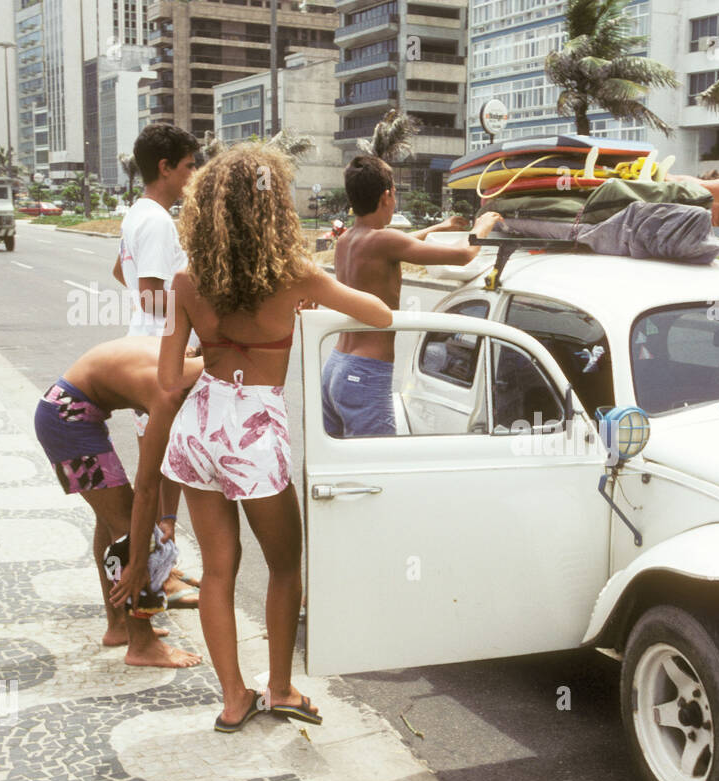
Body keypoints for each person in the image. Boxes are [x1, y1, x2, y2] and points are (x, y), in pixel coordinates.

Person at [154, 143, 393, 733]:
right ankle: (280, 687)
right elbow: (379, 315)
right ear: (273, 210)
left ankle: (234, 698)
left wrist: (211, 357)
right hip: (254, 431)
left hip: (201, 423)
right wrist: (311, 295)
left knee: (216, 568)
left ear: (207, 208)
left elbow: (164, 380)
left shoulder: (187, 280)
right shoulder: (293, 276)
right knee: (285, 565)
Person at [34, 338, 205, 669]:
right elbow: (146, 489)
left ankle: (119, 626)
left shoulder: (182, 359)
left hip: (68, 412)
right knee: (129, 529)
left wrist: (166, 518)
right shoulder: (170, 392)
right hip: (68, 421)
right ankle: (142, 645)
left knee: (110, 519)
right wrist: (140, 559)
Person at [321, 154, 502, 437]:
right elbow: (463, 254)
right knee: (378, 468)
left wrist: (439, 228)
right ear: (387, 196)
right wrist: (483, 224)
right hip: (366, 372)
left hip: (337, 366)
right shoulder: (384, 241)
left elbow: (398, 244)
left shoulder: (347, 240)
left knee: (344, 469)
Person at [113, 123, 202, 607]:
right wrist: (195, 317)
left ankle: (163, 564)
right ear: (166, 167)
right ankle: (157, 573)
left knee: (168, 467)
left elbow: (121, 273)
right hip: (158, 357)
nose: (192, 174)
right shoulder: (158, 221)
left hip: (152, 350)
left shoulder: (141, 215)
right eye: (189, 166)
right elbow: (150, 296)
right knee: (162, 470)